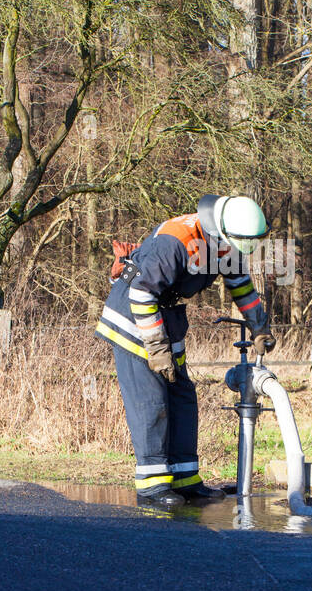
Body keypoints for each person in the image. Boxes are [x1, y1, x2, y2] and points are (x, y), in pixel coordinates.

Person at [95, 194, 276, 506]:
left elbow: (241, 283)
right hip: (134, 318)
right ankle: (152, 487)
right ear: (222, 229)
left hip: (168, 317)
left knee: (182, 400)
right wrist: (156, 348)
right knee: (151, 403)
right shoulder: (175, 242)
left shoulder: (221, 239)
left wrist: (259, 325)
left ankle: (185, 480)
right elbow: (140, 294)